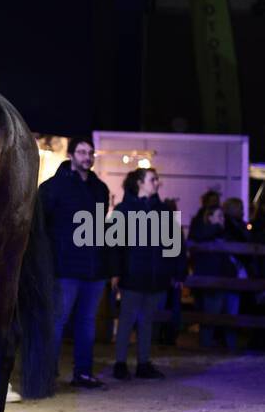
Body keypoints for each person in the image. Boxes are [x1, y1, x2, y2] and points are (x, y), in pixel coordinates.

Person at [40, 135, 111, 388]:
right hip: (65, 267)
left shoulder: (100, 188)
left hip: (93, 268)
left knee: (86, 323)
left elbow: (101, 227)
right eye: (82, 152)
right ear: (71, 155)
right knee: (58, 321)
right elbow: (41, 226)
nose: (87, 157)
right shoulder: (53, 188)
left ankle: (82, 372)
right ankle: (46, 374)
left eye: (90, 152)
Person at [111, 168, 182, 379]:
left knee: (147, 321)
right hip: (132, 275)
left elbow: (175, 242)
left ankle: (143, 363)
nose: (157, 183)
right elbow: (115, 245)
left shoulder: (163, 211)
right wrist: (115, 272)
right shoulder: (124, 210)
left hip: (154, 276)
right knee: (127, 320)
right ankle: (120, 363)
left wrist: (176, 271)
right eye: (153, 179)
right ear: (140, 183)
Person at [189, 203, 243, 351]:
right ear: (210, 217)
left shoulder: (225, 233)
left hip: (227, 281)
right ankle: (205, 349)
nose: (222, 220)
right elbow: (197, 237)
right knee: (210, 319)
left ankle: (230, 349)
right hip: (211, 283)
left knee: (229, 319)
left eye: (223, 217)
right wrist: (217, 227)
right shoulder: (202, 232)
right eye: (219, 216)